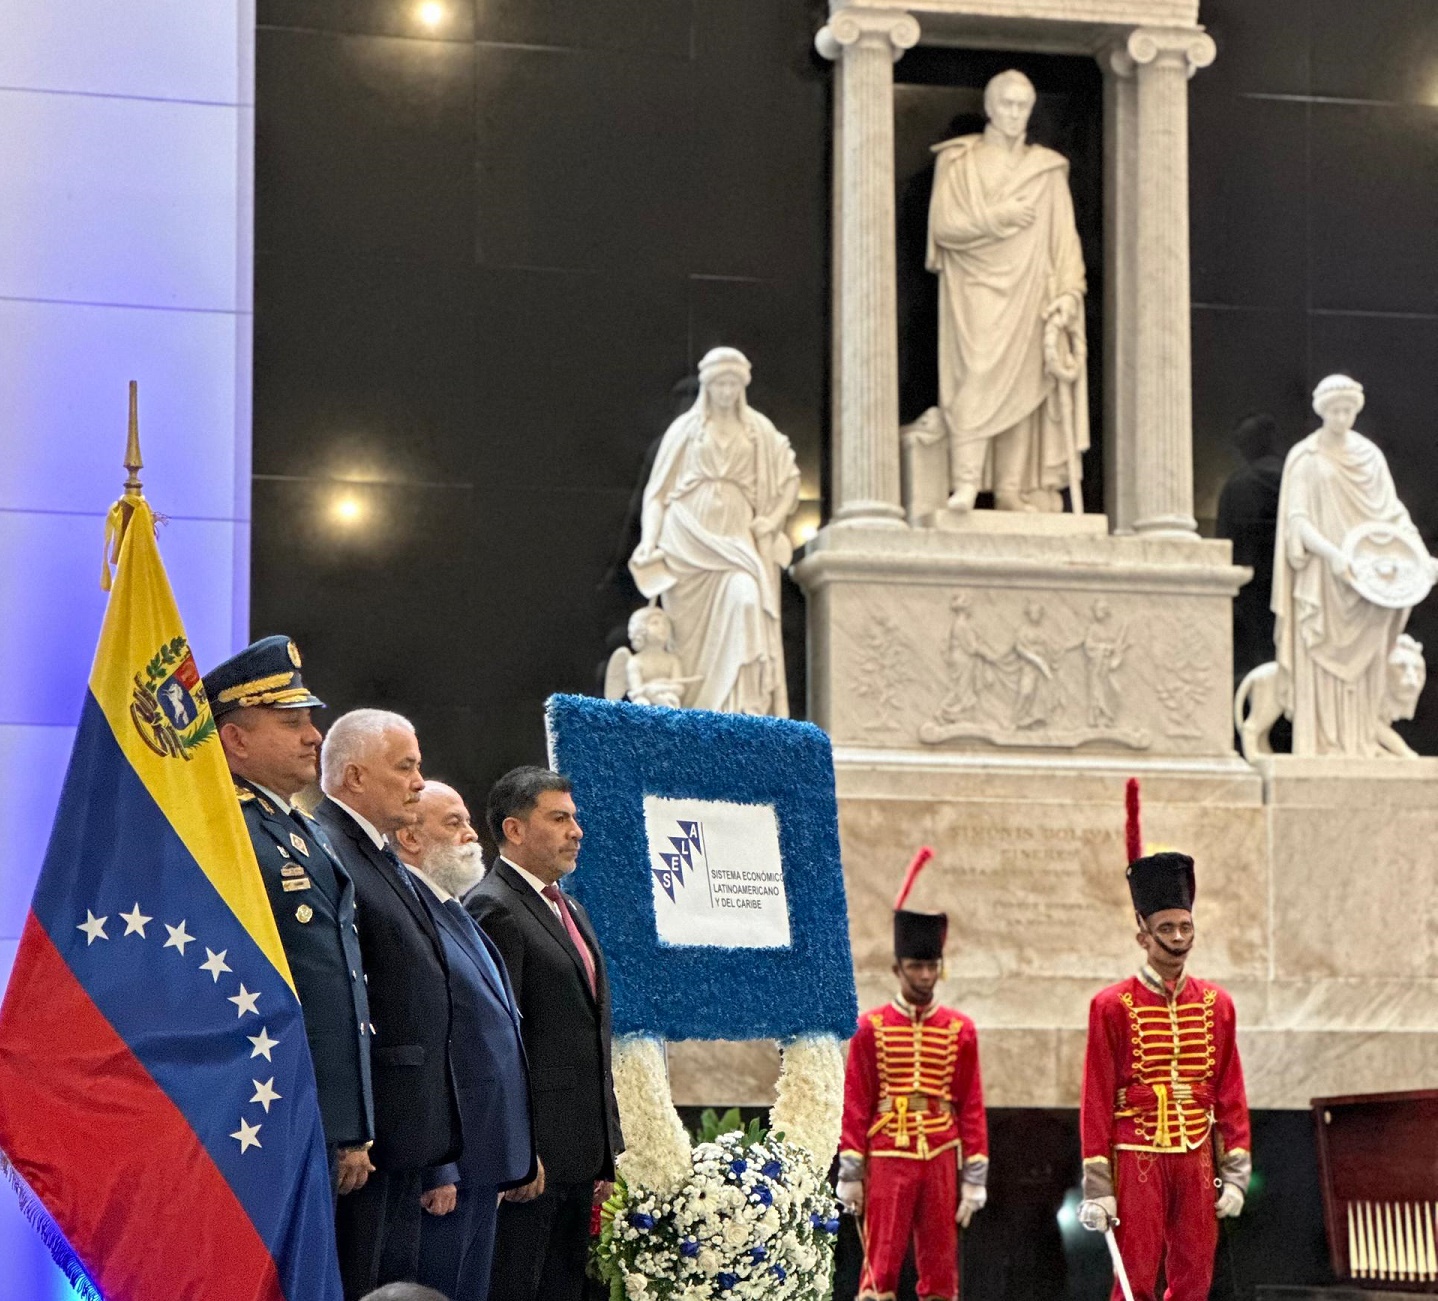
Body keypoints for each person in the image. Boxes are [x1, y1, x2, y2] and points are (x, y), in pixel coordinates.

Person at [202, 637, 375, 1203]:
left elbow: (336, 983)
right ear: (235, 739)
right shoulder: (227, 830)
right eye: (292, 721)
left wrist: (351, 1125)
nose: (313, 735)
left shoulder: (301, 829)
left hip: (314, 1112)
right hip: (266, 1108)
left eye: (310, 719)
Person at [313, 710, 461, 1299]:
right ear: (354, 777)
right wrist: (355, 1129)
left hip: (403, 1126)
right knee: (364, 1283)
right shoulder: (328, 849)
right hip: (370, 1131)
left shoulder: (375, 852)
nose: (418, 781)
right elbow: (339, 998)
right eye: (405, 767)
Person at [465, 767, 623, 1301]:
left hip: (578, 1152)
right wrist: (518, 1147)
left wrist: (606, 1146)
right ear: (514, 830)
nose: (576, 830)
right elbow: (496, 1044)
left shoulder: (567, 905)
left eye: (574, 818)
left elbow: (585, 1029)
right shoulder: (493, 906)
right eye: (559, 819)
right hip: (534, 1161)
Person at [1077, 848, 1251, 1301]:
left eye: (1185, 926)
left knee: (1195, 1276)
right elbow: (1096, 1097)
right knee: (1134, 1278)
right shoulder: (1111, 1005)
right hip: (1136, 1154)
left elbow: (1229, 1092)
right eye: (1166, 928)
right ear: (1143, 935)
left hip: (1197, 1153)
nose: (1178, 937)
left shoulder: (1218, 1004)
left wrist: (1235, 1174)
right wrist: (1098, 1186)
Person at [393, 782, 537, 1301]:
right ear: (409, 836)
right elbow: (425, 1042)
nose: (471, 832)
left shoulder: (453, 909)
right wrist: (441, 1164)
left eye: (467, 819)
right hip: (450, 1164)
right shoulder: (411, 915)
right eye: (452, 822)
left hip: (484, 1157)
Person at [927, 69, 1088, 513]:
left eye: (1023, 106)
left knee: (1026, 389)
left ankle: (1010, 490)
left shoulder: (1047, 170)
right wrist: (996, 219)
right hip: (976, 290)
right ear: (990, 108)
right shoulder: (959, 161)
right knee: (976, 377)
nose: (1016, 114)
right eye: (1008, 105)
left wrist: (1069, 294)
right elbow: (943, 227)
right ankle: (964, 484)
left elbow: (1065, 239)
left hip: (1032, 291)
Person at [837, 849, 988, 1301]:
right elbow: (857, 1102)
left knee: (941, 1267)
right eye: (915, 967)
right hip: (887, 1153)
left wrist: (975, 1177)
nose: (924, 975)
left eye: (930, 966)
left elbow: (972, 1105)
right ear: (897, 969)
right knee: (880, 1263)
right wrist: (850, 1170)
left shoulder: (961, 1029)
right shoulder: (871, 1027)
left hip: (941, 1150)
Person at [628, 346, 801, 716]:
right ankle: (697, 714)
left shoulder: (759, 431)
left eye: (733, 384)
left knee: (747, 600)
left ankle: (741, 712)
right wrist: (647, 541)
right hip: (686, 540)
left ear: (742, 387)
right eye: (719, 383)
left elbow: (790, 479)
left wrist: (772, 519)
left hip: (737, 543)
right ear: (707, 386)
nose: (726, 391)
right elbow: (657, 494)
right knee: (687, 643)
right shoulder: (686, 430)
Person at [1273, 374, 1432, 756]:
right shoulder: (1306, 458)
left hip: (1367, 579)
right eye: (1335, 411)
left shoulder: (1369, 456)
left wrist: (1420, 556)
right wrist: (1332, 555)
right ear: (1322, 412)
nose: (1342, 417)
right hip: (1327, 575)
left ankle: (1361, 743)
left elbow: (1391, 514)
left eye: (1349, 411)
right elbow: (1298, 521)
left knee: (1367, 668)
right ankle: (1322, 743)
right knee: (1322, 654)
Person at [1215, 413, 1283, 684]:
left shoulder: (1238, 485)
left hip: (1251, 588)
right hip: (1292, 582)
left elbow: (1226, 541)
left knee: (1258, 661)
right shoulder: (1292, 478)